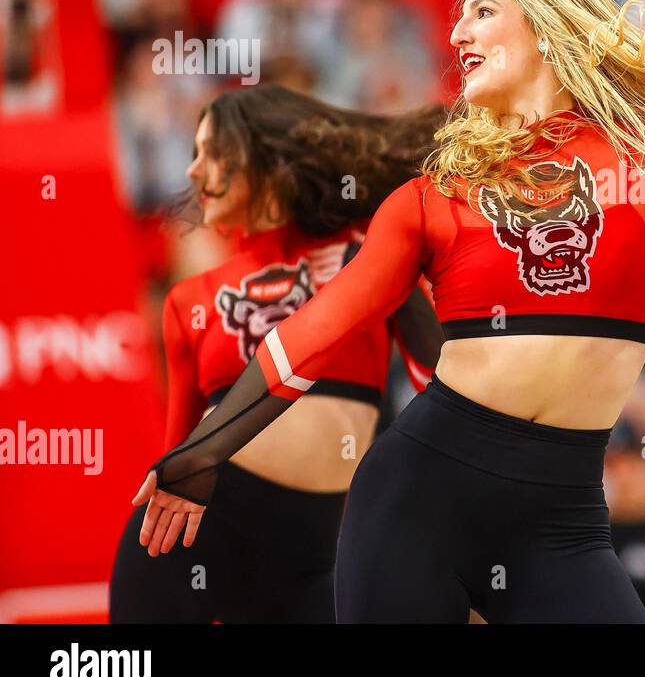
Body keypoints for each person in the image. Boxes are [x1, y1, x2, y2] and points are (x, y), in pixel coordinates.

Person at [131, 0, 645, 623]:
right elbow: (310, 338)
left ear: (545, 25)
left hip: (561, 517)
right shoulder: (433, 195)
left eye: (481, 13)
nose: (456, 32)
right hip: (417, 500)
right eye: (458, 16)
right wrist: (199, 454)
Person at [110, 85, 445, 623]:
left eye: (210, 152)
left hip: (312, 555)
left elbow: (439, 375)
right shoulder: (186, 299)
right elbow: (177, 455)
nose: (193, 172)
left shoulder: (361, 246)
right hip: (191, 540)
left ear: (258, 154)